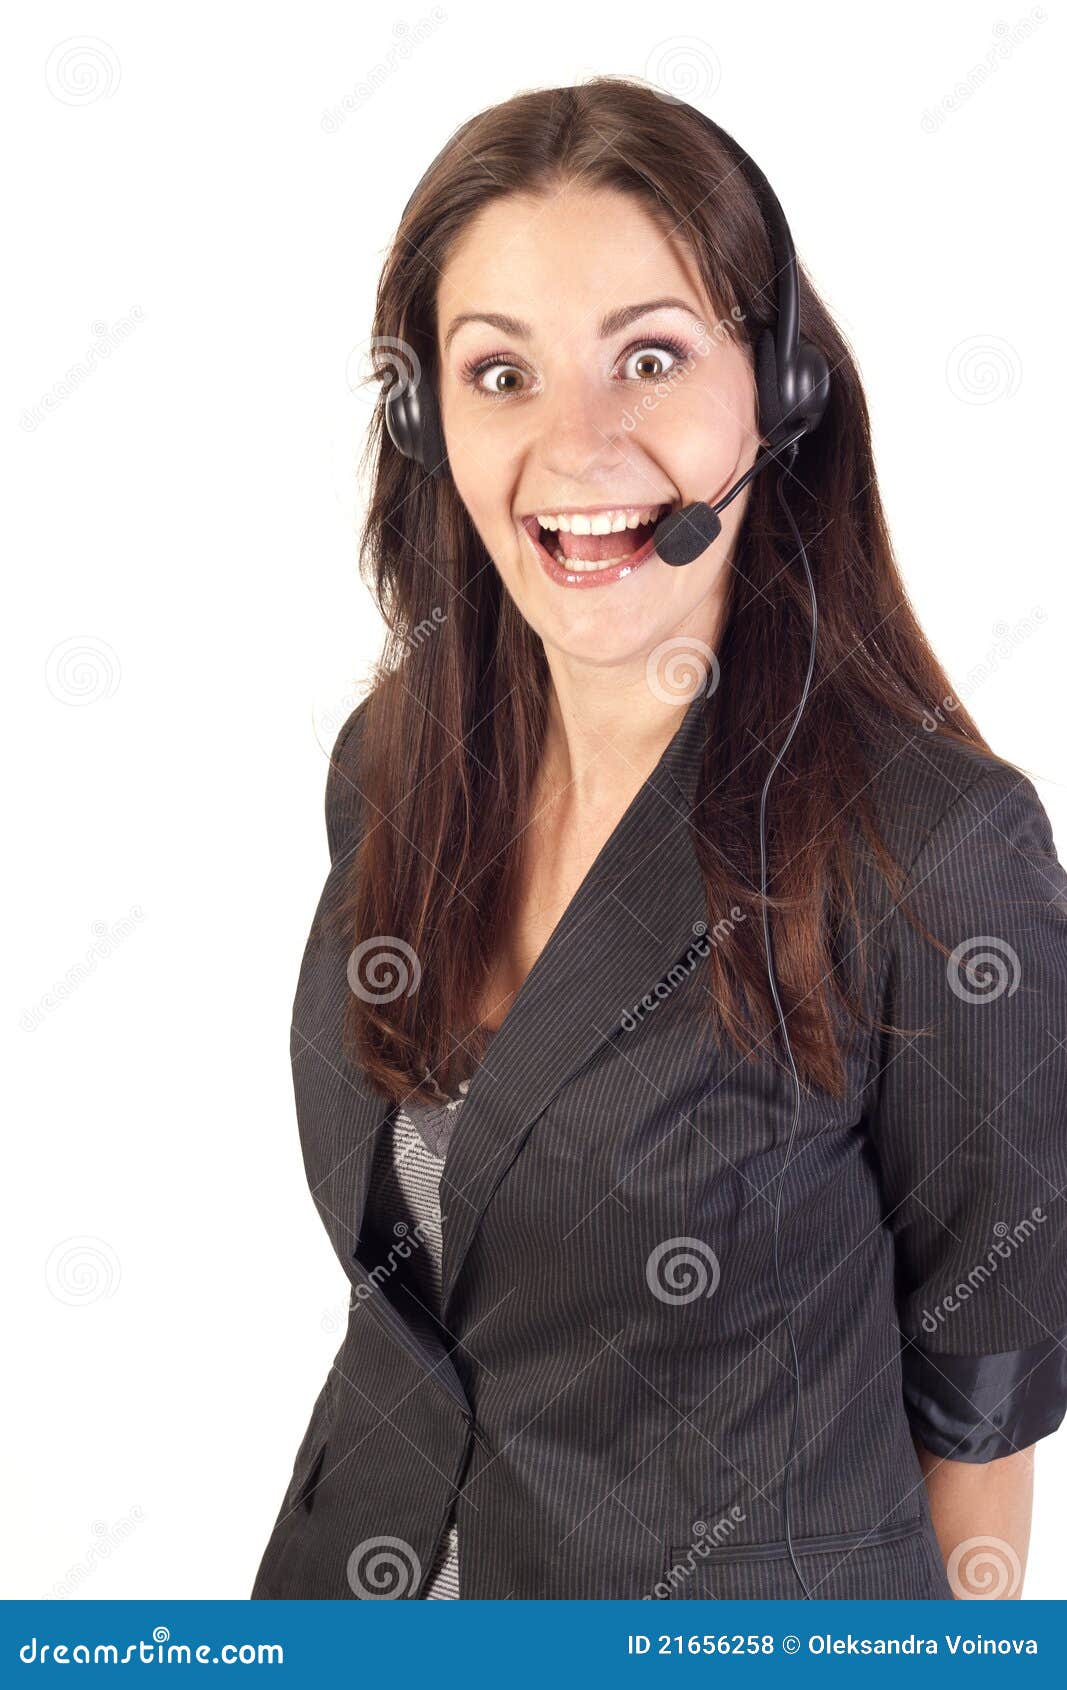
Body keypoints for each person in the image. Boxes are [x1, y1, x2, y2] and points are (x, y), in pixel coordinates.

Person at [251, 77, 1067, 1602]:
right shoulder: (400, 761)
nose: (579, 444)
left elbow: (987, 1401)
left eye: (650, 356)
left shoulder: (936, 849)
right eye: (502, 373)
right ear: (429, 416)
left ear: (780, 392)